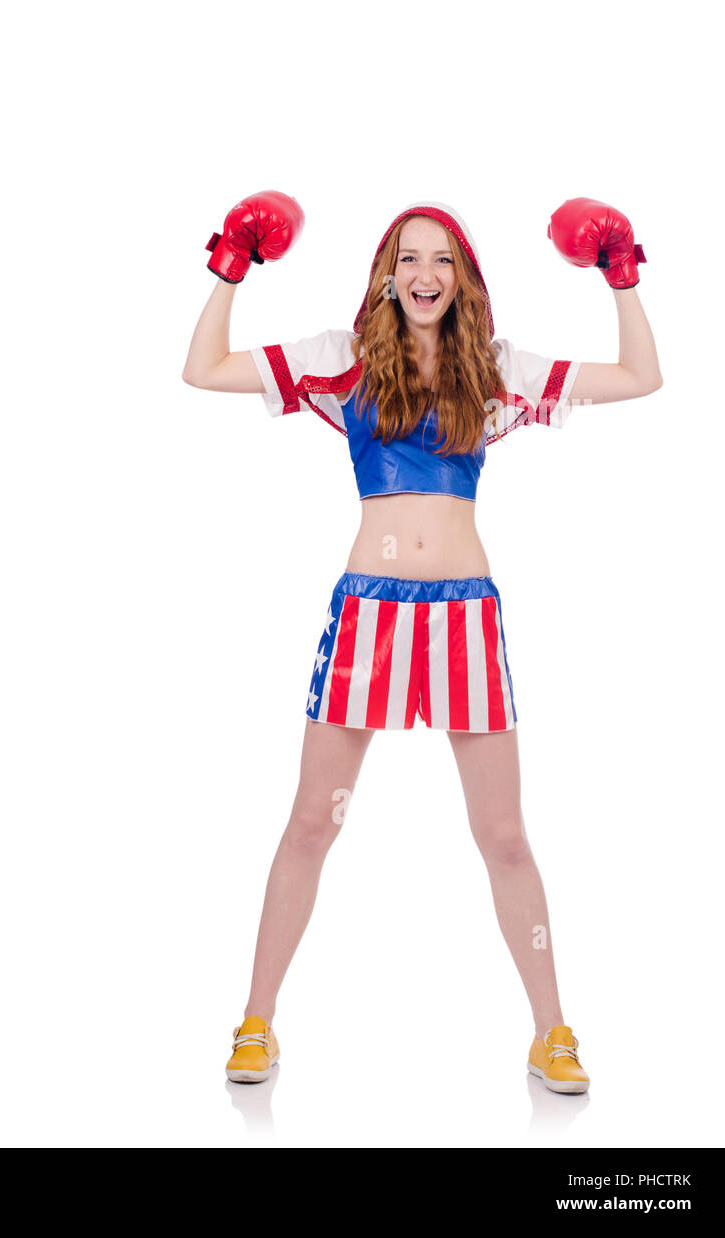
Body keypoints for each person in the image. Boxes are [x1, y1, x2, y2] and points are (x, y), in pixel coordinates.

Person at [184, 191, 661, 1092]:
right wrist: (230, 266)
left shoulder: (498, 372)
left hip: (465, 618)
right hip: (368, 616)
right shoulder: (343, 362)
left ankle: (551, 1032)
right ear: (386, 274)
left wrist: (619, 271)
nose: (424, 274)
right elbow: (202, 368)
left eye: (441, 259)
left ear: (464, 278)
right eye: (408, 257)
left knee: (504, 835)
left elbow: (640, 378)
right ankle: (256, 1022)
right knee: (308, 825)